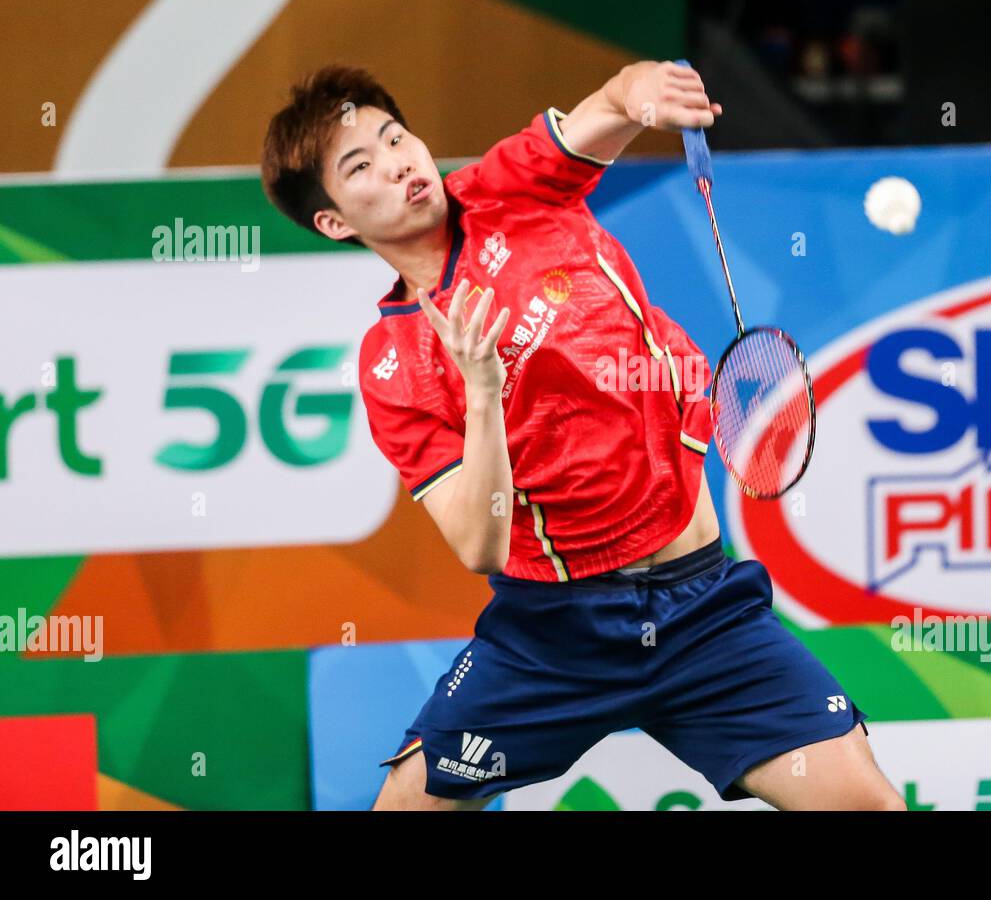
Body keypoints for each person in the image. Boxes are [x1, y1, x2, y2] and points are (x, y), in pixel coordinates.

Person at [261, 61, 905, 811]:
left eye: (395, 136)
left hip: (700, 607)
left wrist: (644, 94)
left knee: (870, 807)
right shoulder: (393, 368)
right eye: (362, 165)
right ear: (335, 221)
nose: (399, 161)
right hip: (555, 635)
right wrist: (482, 392)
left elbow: (606, 105)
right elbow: (479, 546)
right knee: (407, 806)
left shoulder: (505, 190)